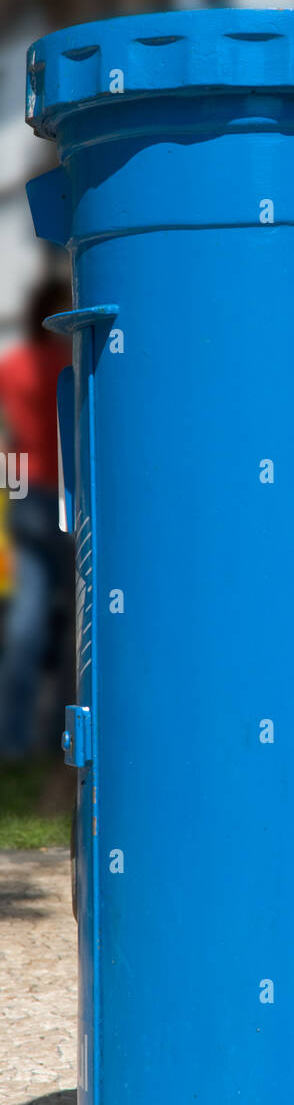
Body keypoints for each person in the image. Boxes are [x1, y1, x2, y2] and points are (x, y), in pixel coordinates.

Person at [0, 274, 73, 760]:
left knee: (26, 625)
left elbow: (8, 442)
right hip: (69, 500)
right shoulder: (72, 363)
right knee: (75, 627)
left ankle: (12, 738)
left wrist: (16, 497)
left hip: (27, 500)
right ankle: (57, 737)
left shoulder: (12, 366)